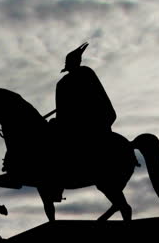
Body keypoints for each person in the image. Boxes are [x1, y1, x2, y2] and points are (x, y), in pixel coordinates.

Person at [46, 42, 116, 201]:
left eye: (72, 62)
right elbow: (61, 109)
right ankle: (56, 182)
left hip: (89, 119)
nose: (71, 65)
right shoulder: (62, 83)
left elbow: (97, 97)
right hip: (70, 121)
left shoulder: (86, 74)